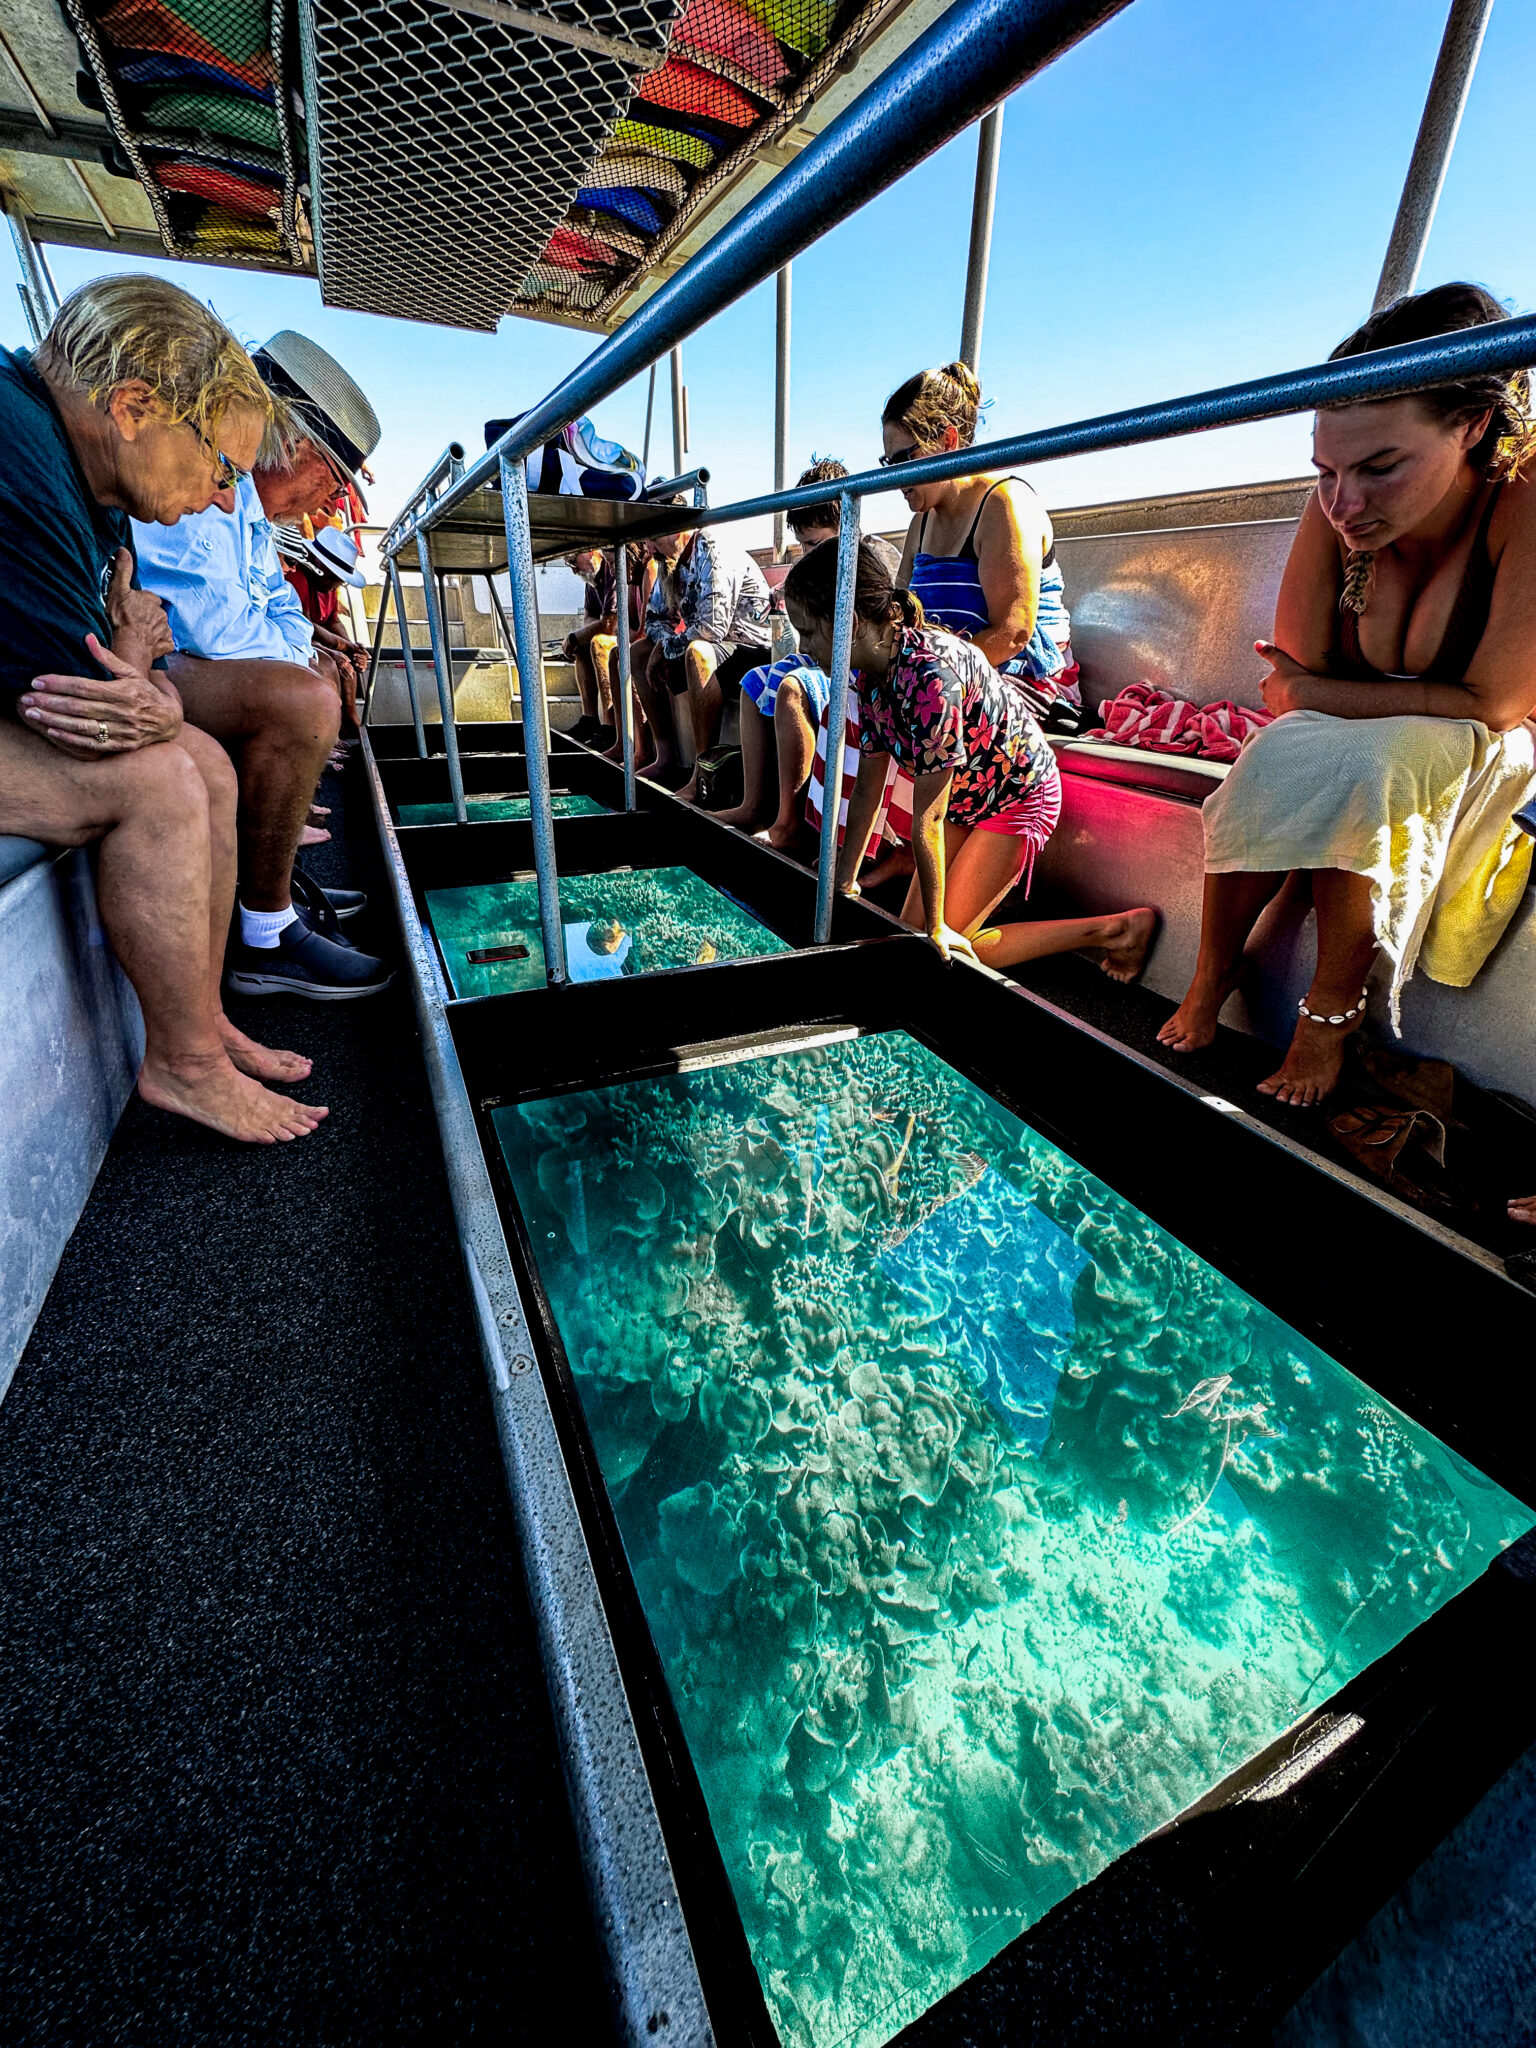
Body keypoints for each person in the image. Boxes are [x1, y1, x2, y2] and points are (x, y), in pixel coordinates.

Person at [1158, 283, 1536, 1108]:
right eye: (1326, 470)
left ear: (1472, 427)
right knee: (1276, 749)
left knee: (1380, 759)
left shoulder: (1527, 495)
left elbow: (1499, 704)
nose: (1343, 503)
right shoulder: (1336, 507)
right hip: (1378, 726)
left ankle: (1329, 1013)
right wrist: (1313, 692)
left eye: (1380, 467)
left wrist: (1317, 690)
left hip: (1483, 745)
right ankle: (1212, 970)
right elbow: (1289, 684)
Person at [0, 273, 325, 1143]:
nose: (224, 498)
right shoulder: (17, 457)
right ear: (136, 406)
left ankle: (204, 1022)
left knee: (206, 763)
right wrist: (142, 676)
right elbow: (89, 701)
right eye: (220, 468)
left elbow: (122, 660)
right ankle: (182, 1066)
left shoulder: (83, 480)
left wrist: (140, 674)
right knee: (162, 782)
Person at [133, 330, 390, 999]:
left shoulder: (245, 503)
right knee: (303, 701)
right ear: (299, 448)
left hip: (188, 657)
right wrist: (298, 662)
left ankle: (269, 878)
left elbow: (281, 612)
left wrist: (298, 654)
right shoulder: (207, 487)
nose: (331, 502)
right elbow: (216, 632)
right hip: (163, 661)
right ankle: (267, 931)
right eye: (333, 481)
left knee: (309, 684)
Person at [784, 539, 1155, 977]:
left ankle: (1114, 931)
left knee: (945, 952)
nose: (803, 645)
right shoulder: (869, 673)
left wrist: (939, 926)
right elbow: (869, 783)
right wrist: (843, 877)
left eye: (808, 630)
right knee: (910, 935)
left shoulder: (929, 678)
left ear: (850, 619)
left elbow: (929, 818)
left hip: (1017, 792)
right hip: (969, 795)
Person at [714, 458, 901, 845]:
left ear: (847, 521)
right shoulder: (817, 565)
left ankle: (789, 821)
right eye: (803, 543)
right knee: (754, 682)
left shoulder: (871, 559)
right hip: (822, 658)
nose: (807, 551)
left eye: (814, 543)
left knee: (793, 688)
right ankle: (754, 804)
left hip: (855, 665)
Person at [883, 362, 1081, 725]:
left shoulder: (1004, 504)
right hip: (943, 675)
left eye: (903, 460)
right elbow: (901, 617)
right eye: (886, 463)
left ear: (947, 440)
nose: (894, 476)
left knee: (926, 712)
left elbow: (1012, 634)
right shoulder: (920, 523)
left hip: (1024, 678)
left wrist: (928, 675)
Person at [639, 510, 770, 796]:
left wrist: (667, 647)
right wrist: (662, 646)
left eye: (654, 538)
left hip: (751, 647)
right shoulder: (671, 563)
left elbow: (713, 628)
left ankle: (704, 772)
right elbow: (653, 619)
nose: (649, 548)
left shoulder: (712, 548)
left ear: (679, 530)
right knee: (638, 652)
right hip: (717, 644)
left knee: (697, 652)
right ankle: (664, 755)